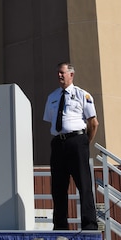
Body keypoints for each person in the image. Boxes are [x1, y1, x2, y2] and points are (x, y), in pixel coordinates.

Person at [43, 62, 98, 231]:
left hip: (77, 142)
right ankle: (60, 226)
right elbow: (51, 121)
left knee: (84, 185)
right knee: (58, 188)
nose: (59, 76)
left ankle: (89, 225)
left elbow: (93, 123)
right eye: (58, 73)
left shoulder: (82, 95)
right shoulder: (52, 97)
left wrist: (84, 143)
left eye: (62, 73)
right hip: (58, 143)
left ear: (71, 75)